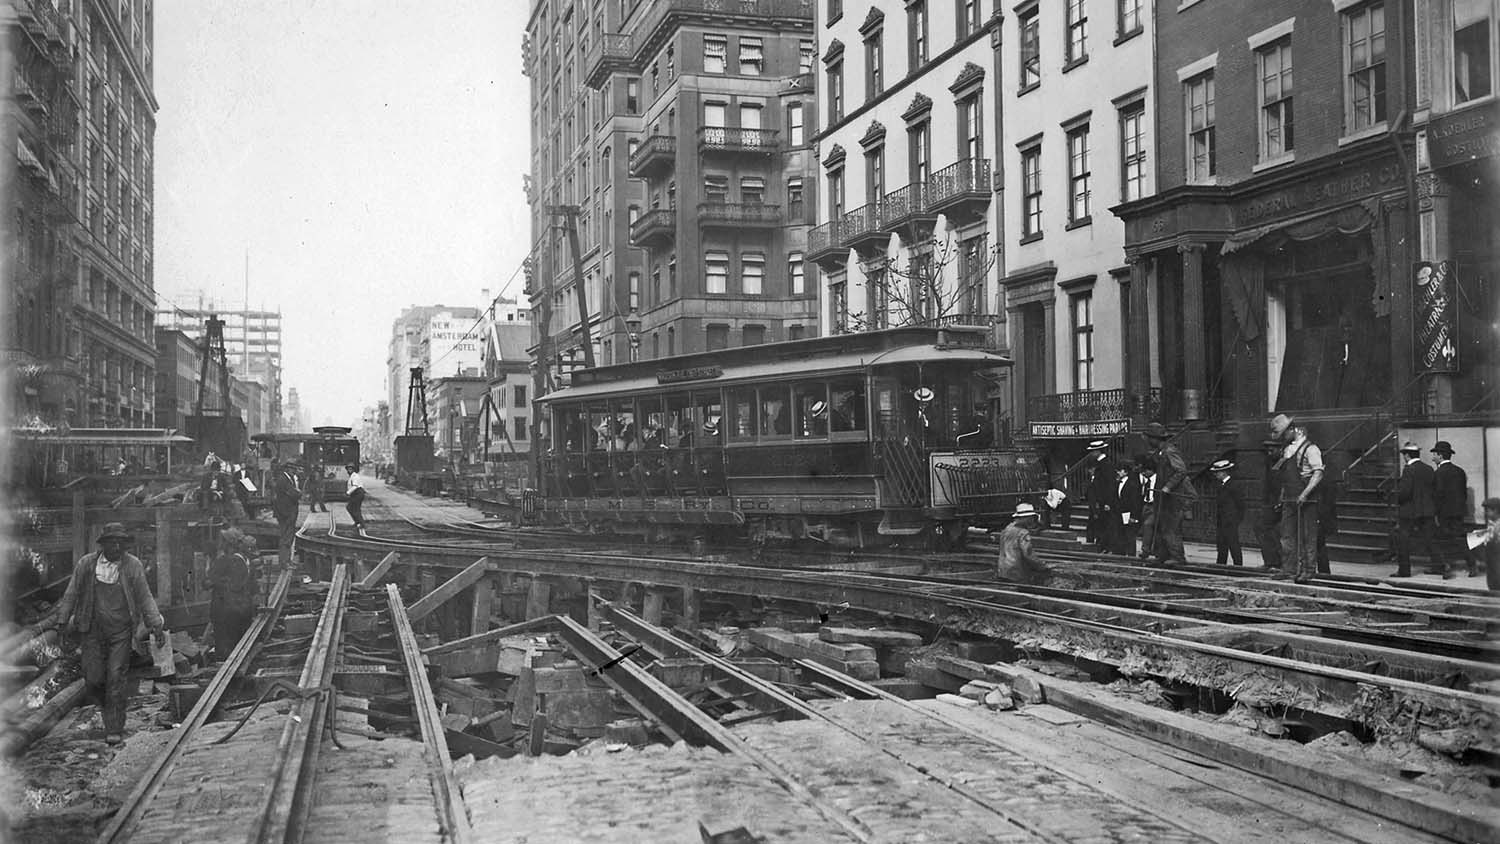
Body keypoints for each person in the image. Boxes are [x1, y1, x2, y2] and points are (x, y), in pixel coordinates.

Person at [46, 523, 165, 745]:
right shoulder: (86, 565)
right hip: (91, 631)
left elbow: (145, 597)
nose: (117, 546)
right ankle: (106, 708)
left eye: (121, 542)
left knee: (116, 677)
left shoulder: (132, 566)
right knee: (93, 680)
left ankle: (114, 726)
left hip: (121, 632)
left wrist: (156, 624)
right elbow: (71, 594)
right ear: (103, 544)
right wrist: (62, 623)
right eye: (112, 542)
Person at [1270, 414, 1324, 582]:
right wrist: (1282, 497)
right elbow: (1286, 476)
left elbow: (1318, 473)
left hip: (1307, 499)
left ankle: (1308, 570)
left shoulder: (1311, 449)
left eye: (1285, 433)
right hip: (1289, 498)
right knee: (1287, 535)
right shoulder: (1288, 450)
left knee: (1308, 536)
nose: (1284, 437)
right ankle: (1289, 568)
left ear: (1293, 430)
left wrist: (1304, 494)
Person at [1144, 422, 1196, 566]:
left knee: (1170, 528)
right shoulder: (1161, 453)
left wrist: (1168, 486)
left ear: (1156, 439)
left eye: (1149, 438)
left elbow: (1181, 470)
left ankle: (1177, 558)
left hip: (1172, 499)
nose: (1148, 441)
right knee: (1161, 526)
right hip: (1162, 498)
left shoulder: (1169, 451)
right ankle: (1163, 555)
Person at [1393, 440, 1440, 578]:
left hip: (1410, 511)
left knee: (1403, 540)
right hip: (1427, 510)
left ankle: (1404, 571)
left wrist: (1398, 499)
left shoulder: (1408, 469)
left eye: (1404, 455)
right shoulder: (1429, 468)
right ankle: (1439, 566)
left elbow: (1405, 492)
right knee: (1429, 539)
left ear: (1407, 455)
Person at [209, 528, 257, 658]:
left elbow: (208, 582)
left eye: (223, 541)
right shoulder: (246, 560)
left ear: (229, 544)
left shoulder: (225, 561)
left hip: (226, 613)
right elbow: (253, 588)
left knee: (225, 651)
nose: (221, 544)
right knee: (238, 648)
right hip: (243, 610)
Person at [1431, 441, 1476, 578]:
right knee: (1459, 538)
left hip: (1444, 513)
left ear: (1440, 455)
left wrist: (1436, 513)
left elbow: (1438, 495)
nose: (1433, 457)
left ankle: (1446, 567)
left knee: (1440, 539)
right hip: (1458, 512)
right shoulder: (1460, 471)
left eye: (1434, 454)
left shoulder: (1439, 473)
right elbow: (1463, 493)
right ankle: (1471, 565)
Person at [996, 503, 1051, 583]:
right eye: (1031, 518)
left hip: (1002, 570)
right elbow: (1028, 554)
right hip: (1016, 572)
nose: (1032, 520)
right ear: (1026, 518)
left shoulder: (1007, 529)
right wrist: (1042, 566)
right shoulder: (1023, 533)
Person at [1084, 440, 1118, 553]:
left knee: (1104, 523)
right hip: (1099, 500)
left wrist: (1108, 502)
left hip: (1104, 500)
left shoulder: (1106, 464)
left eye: (1093, 451)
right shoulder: (1100, 464)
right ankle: (1102, 545)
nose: (1092, 454)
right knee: (1099, 523)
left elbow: (1110, 485)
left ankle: (1106, 546)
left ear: (1098, 451)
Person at [1257, 438, 1285, 572]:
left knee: (1280, 533)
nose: (1269, 453)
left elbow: (1285, 484)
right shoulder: (1269, 463)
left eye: (1272, 450)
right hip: (1270, 503)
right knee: (1261, 528)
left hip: (1282, 503)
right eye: (1267, 450)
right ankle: (1270, 561)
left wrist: (1280, 501)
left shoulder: (1286, 463)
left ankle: (1279, 562)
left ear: (1281, 449)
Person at [1210, 458, 1244, 566]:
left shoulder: (1233, 485)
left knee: (1233, 543)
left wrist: (1236, 519)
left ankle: (1238, 565)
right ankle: (1221, 564)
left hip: (1230, 520)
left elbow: (1240, 503)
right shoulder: (1221, 485)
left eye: (1217, 472)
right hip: (1222, 519)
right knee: (1222, 544)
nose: (1215, 475)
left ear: (1224, 472)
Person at [269, 461, 302, 565]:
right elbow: (293, 494)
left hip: (288, 512)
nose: (294, 471)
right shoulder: (283, 479)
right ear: (288, 469)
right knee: (286, 538)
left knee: (288, 538)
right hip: (286, 513)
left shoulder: (288, 478)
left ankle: (287, 560)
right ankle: (284, 562)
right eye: (293, 469)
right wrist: (299, 493)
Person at [1113, 461, 1143, 556]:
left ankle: (1130, 554)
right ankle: (1120, 553)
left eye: (1120, 471)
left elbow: (1135, 502)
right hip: (1119, 512)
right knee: (1120, 532)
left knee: (1129, 534)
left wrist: (1134, 516)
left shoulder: (1132, 484)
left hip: (1128, 512)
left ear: (1126, 472)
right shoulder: (1118, 482)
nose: (1118, 472)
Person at [1473, 497, 1500, 592]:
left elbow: (1494, 537)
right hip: (1491, 556)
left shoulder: (1498, 524)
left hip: (1497, 554)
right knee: (1492, 577)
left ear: (1496, 511)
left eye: (1488, 511)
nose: (1485, 513)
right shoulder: (1491, 523)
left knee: (1496, 576)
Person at [1135, 456, 1159, 561]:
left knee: (1148, 525)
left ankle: (1146, 550)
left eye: (1145, 471)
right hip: (1145, 505)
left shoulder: (1158, 480)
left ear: (1151, 470)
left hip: (1154, 506)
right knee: (1145, 528)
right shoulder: (1145, 481)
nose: (1143, 473)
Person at [346, 463, 367, 532]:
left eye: (351, 469)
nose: (349, 470)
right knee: (349, 507)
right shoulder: (351, 476)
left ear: (353, 469)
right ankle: (357, 522)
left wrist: (348, 493)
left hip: (358, 493)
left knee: (355, 509)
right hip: (355, 494)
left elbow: (355, 486)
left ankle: (361, 523)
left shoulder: (355, 476)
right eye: (348, 469)